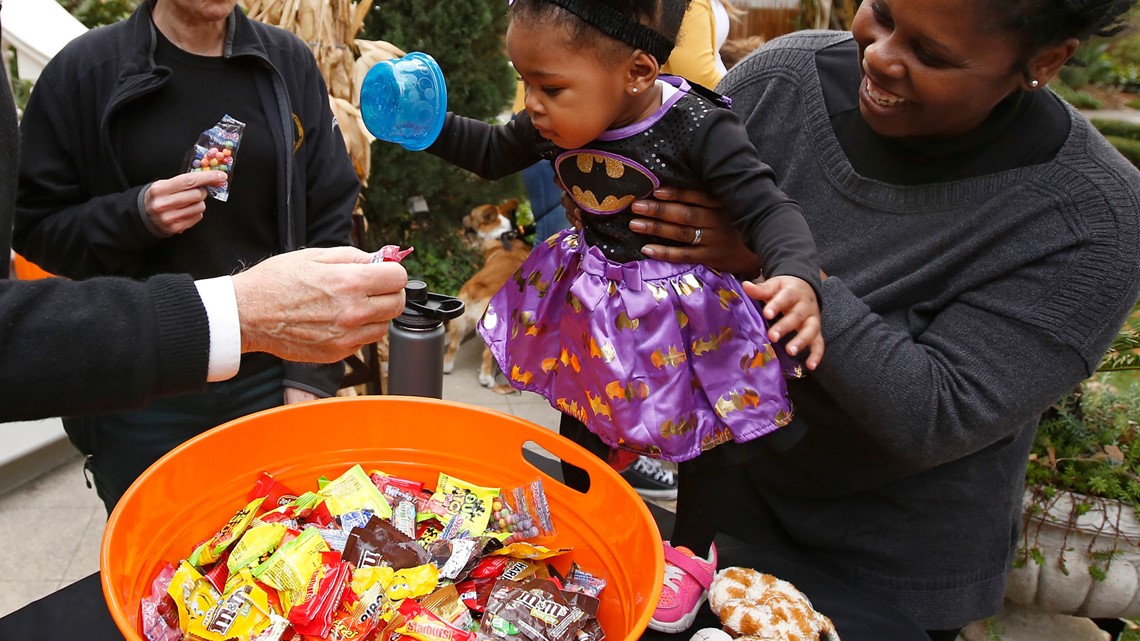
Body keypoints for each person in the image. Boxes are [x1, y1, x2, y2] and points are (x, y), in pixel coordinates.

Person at [623, 0, 1140, 638]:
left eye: (932, 55)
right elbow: (663, 268)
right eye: (883, 14)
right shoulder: (778, 85)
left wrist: (780, 260)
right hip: (723, 502)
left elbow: (937, 415)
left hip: (886, 565)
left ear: (1045, 61)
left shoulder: (1092, 221)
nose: (879, 55)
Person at [420, 0, 823, 632]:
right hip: (597, 311)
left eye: (548, 86)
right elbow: (493, 150)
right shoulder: (558, 117)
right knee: (581, 418)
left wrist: (796, 276)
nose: (532, 103)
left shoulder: (697, 127)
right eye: (524, 81)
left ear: (636, 71)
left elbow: (769, 209)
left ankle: (690, 559)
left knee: (705, 441)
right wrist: (426, 124)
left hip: (685, 323)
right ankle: (581, 529)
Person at [11, 0, 362, 512]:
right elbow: (36, 228)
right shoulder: (85, 71)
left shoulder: (285, 61)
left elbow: (330, 211)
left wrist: (309, 372)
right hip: (142, 385)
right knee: (159, 573)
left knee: (281, 560)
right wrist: (134, 215)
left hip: (267, 374)